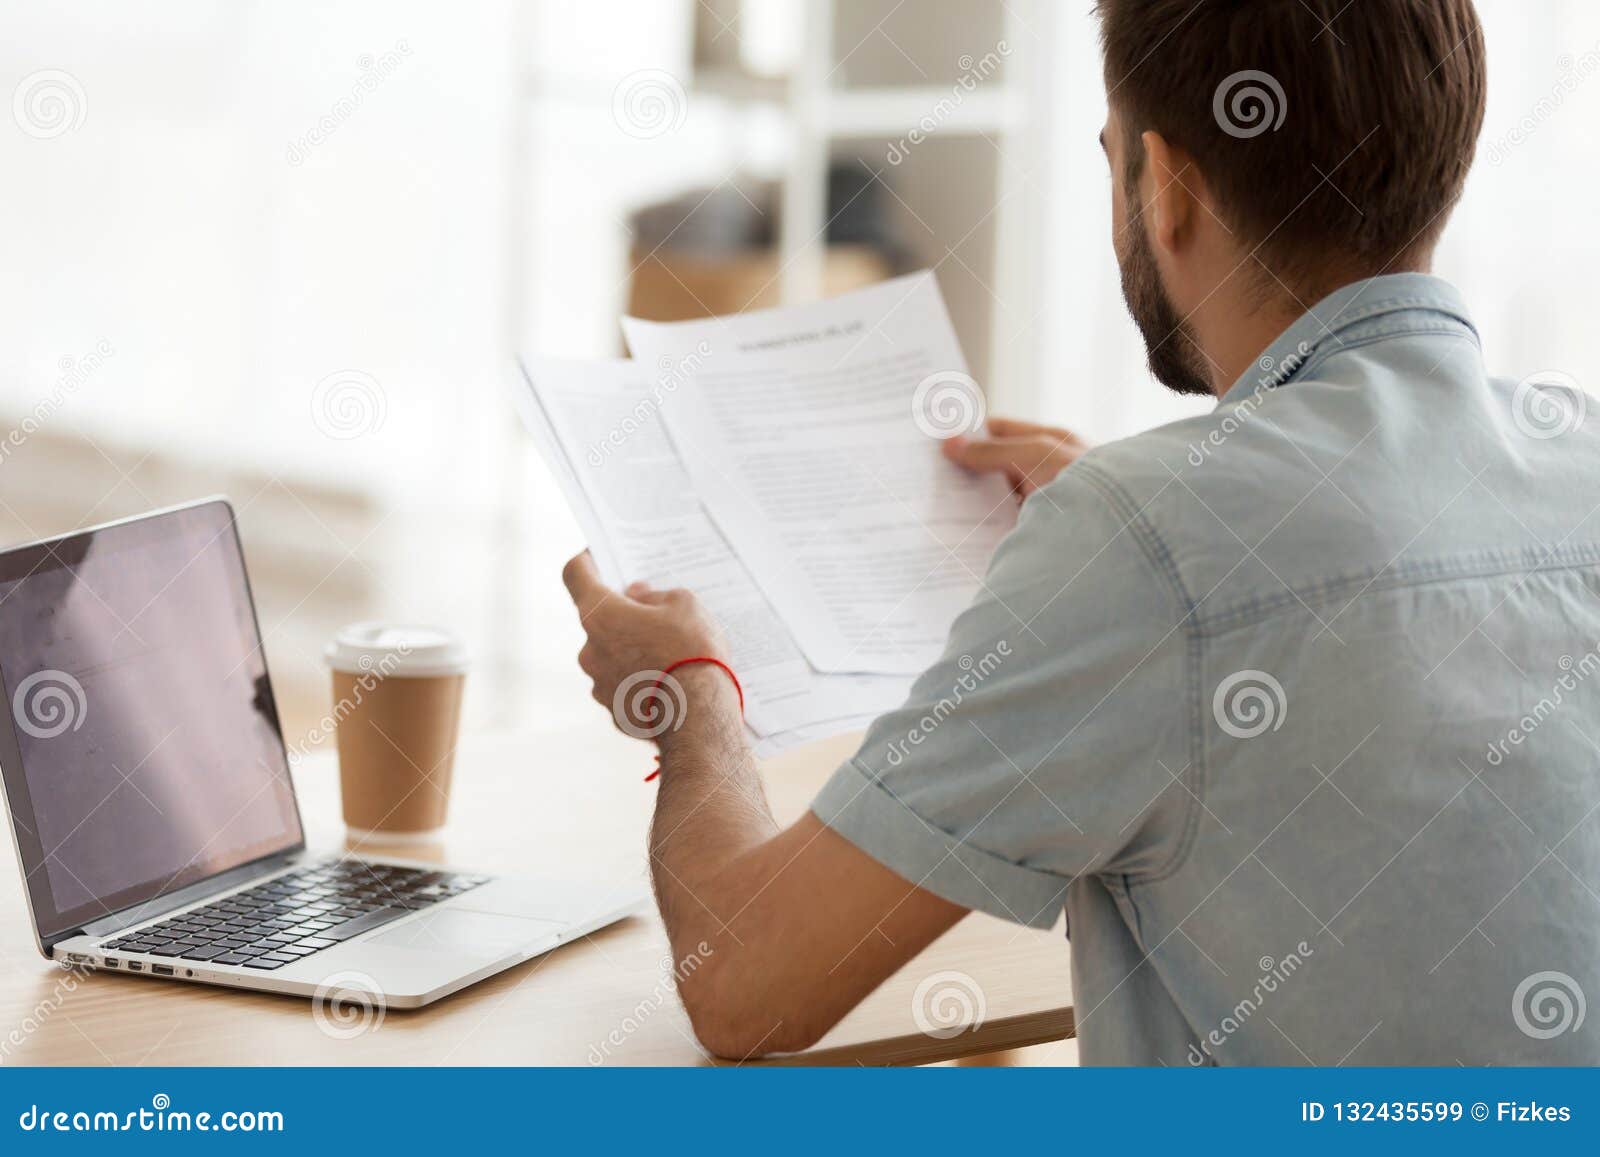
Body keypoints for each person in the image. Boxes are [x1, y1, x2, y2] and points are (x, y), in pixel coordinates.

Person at [563, 0, 1600, 1064]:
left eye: (1113, 162)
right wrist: (1150, 543)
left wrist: (690, 695)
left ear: (1170, 190)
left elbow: (745, 983)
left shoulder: (1148, 540)